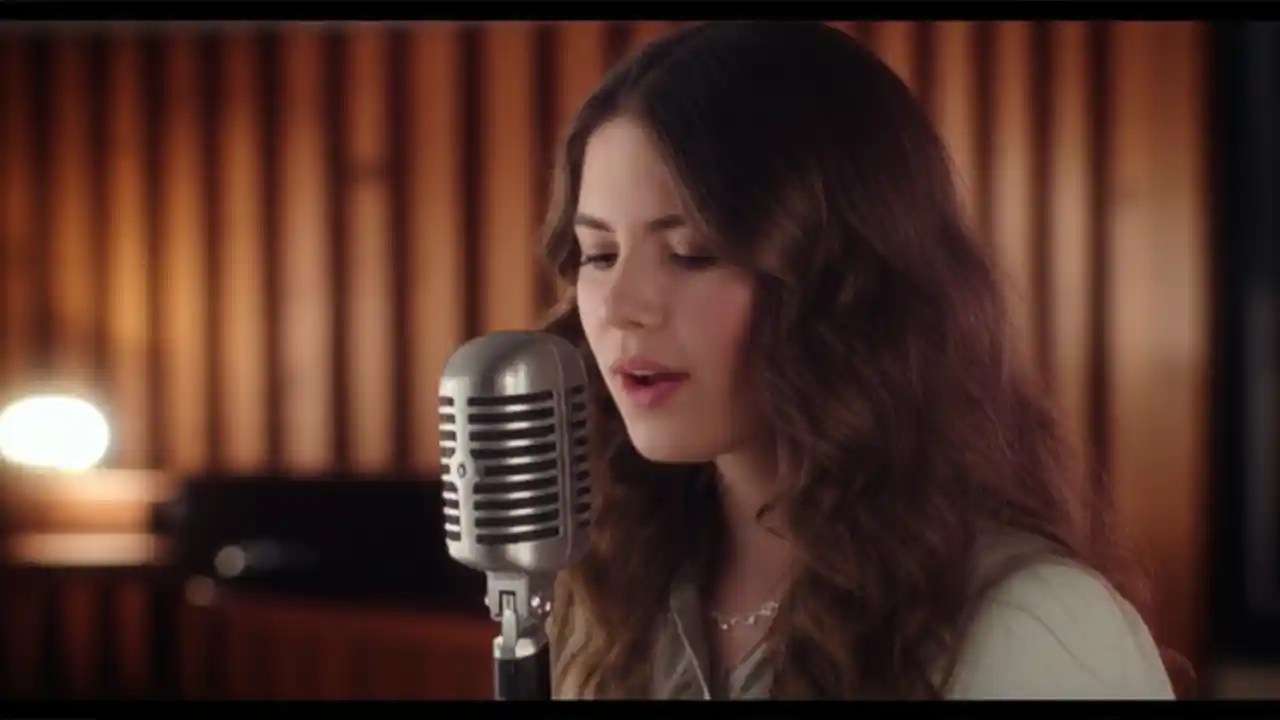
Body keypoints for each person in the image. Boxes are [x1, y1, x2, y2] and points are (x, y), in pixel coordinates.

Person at [537, 21, 1181, 699]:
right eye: (599, 255)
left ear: (841, 281)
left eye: (692, 252)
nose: (619, 307)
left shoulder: (1032, 628)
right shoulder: (606, 597)